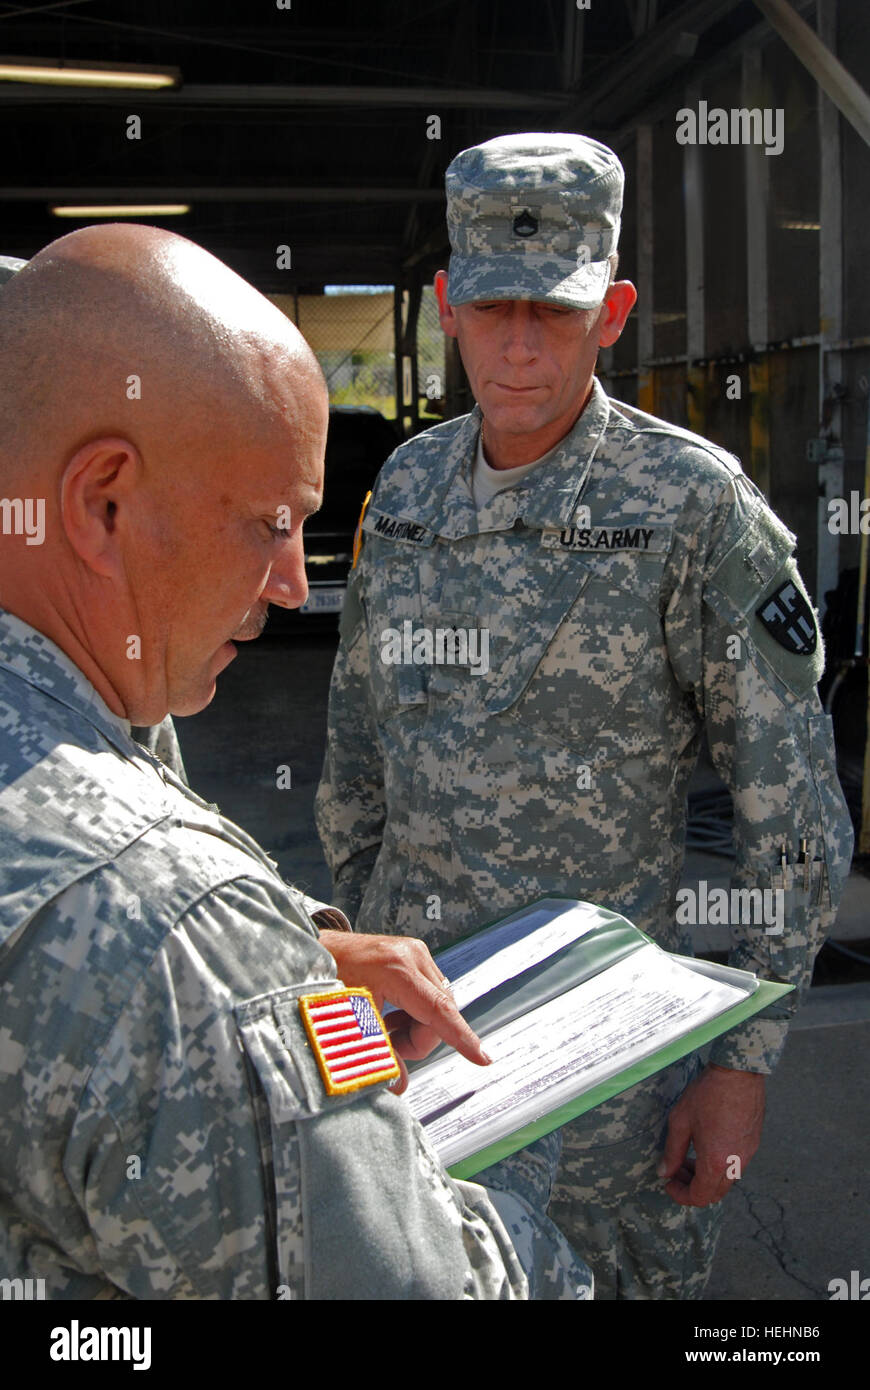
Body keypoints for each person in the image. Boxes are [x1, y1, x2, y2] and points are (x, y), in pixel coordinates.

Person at [0, 223, 593, 1300]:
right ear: (102, 503)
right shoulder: (179, 932)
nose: (287, 582)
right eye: (270, 522)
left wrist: (297, 946)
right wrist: (525, 1200)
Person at [315, 131, 855, 1299]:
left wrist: (742, 1062)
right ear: (449, 305)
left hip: (607, 1071)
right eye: (496, 306)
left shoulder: (692, 505)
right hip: (416, 1043)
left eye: (553, 313)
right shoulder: (406, 487)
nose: (519, 343)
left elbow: (792, 810)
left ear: (611, 313)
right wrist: (353, 955)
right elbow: (357, 744)